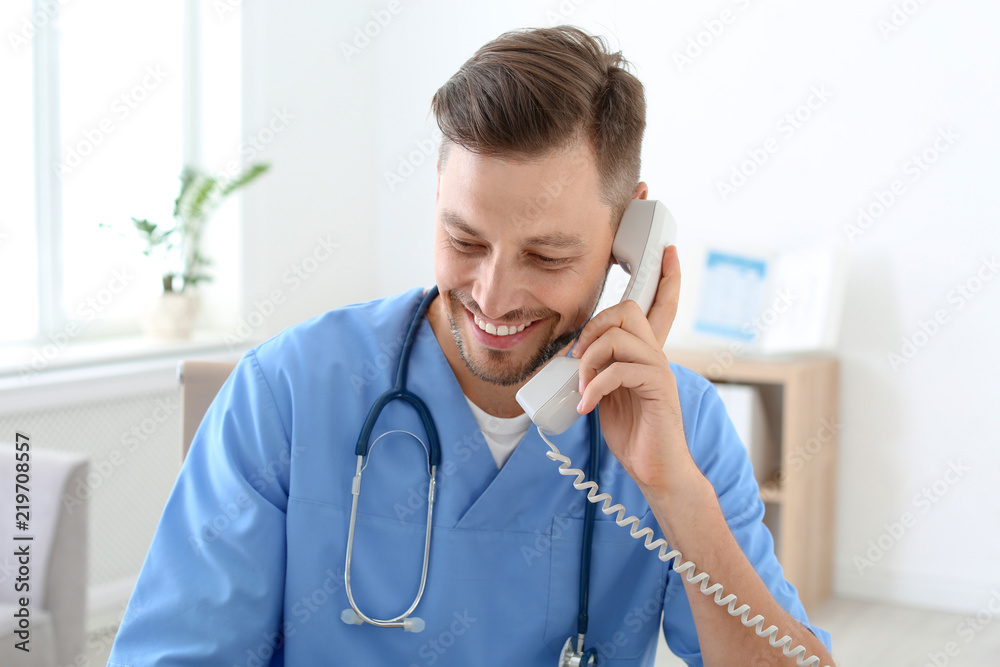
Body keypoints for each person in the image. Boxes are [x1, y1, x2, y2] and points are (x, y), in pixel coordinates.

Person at [108, 25, 835, 666]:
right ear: (436, 191)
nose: (492, 295)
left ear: (629, 241)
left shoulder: (683, 430)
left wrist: (675, 491)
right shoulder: (288, 391)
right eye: (464, 239)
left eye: (547, 256)